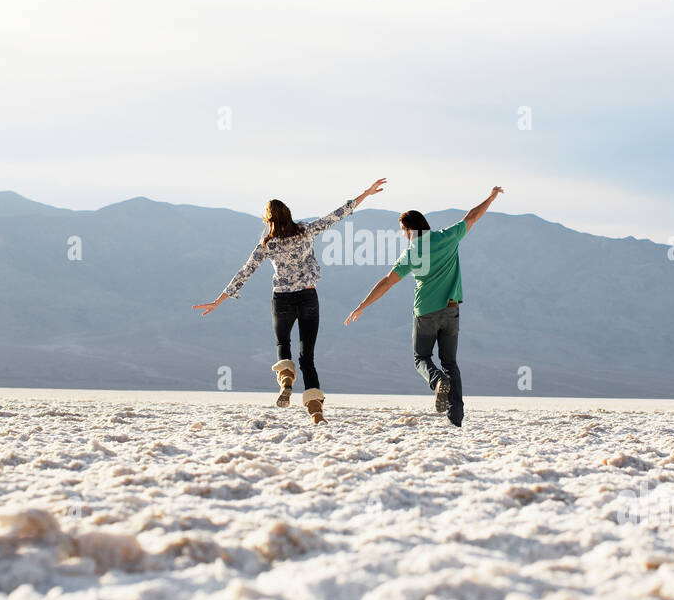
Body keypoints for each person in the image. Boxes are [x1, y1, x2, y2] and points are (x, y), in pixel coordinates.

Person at [194, 178, 386, 424]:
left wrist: (218, 300)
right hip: (308, 296)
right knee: (308, 356)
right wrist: (365, 194)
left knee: (283, 343)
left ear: (268, 220)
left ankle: (286, 378)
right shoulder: (305, 230)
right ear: (289, 214)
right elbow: (336, 215)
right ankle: (316, 412)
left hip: (282, 299)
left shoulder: (267, 244)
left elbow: (245, 271)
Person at [345, 186, 503, 427]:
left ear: (410, 229)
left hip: (426, 311)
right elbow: (471, 216)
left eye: (402, 231)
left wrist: (362, 305)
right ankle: (456, 418)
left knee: (421, 358)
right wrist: (490, 198)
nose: (402, 235)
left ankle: (437, 381)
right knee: (450, 362)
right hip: (451, 310)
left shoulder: (412, 253)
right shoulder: (447, 236)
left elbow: (387, 282)